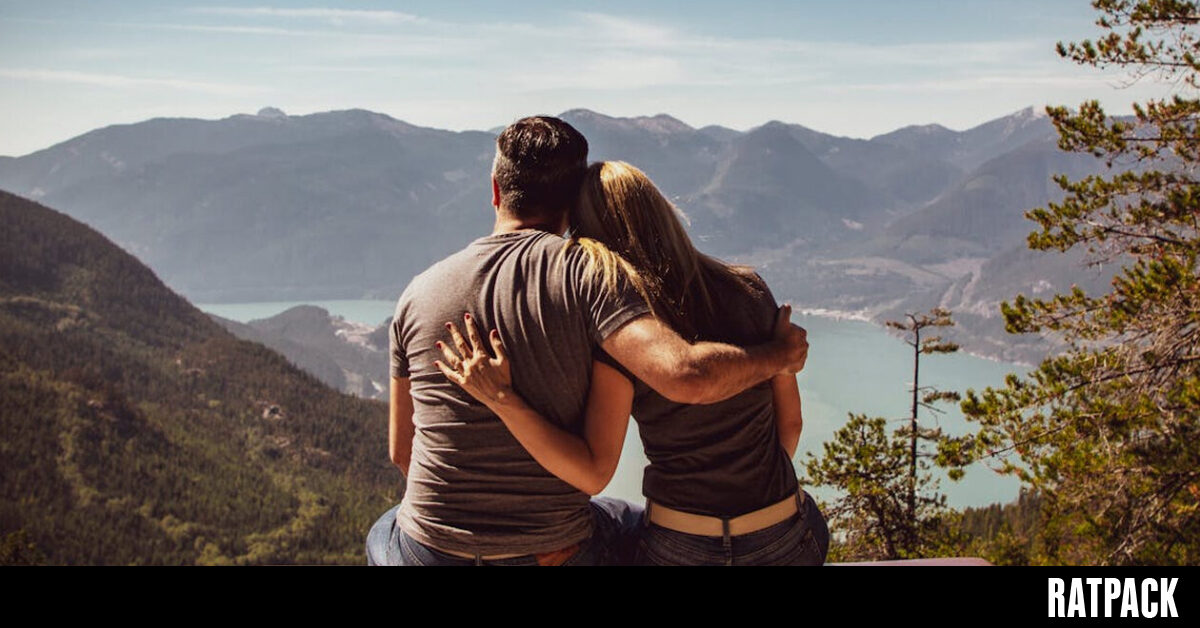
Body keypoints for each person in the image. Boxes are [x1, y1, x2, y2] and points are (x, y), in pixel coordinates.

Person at [365, 117, 810, 566]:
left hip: (429, 551)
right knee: (625, 520)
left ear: (496, 190)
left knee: (387, 526)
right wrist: (779, 355)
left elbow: (403, 452)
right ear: (570, 203)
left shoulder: (416, 293)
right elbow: (680, 382)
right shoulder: (593, 277)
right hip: (552, 552)